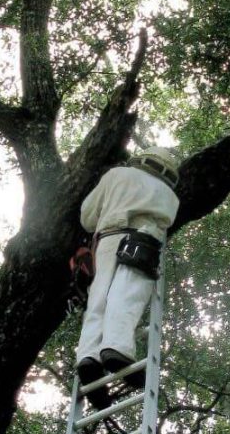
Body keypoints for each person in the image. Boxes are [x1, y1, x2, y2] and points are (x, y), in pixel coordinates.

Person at [75, 146, 180, 407]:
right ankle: (117, 349)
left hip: (107, 240)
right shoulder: (170, 195)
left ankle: (88, 357)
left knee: (98, 300)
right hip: (142, 240)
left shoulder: (116, 175)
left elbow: (87, 217)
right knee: (126, 294)